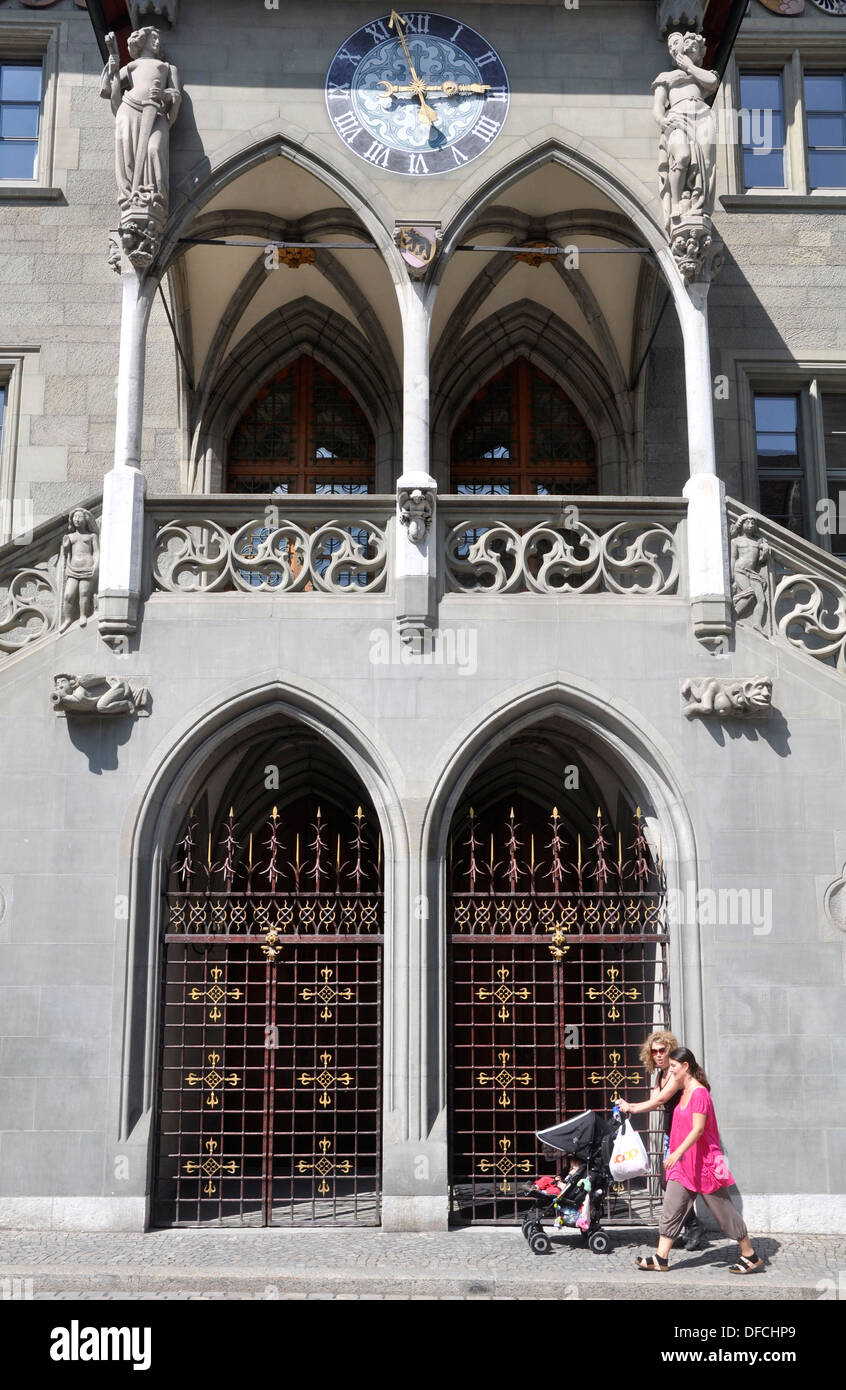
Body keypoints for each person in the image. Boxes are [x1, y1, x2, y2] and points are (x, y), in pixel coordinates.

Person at [635, 1048, 763, 1274]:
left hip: (704, 1164)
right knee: (671, 1208)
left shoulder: (699, 1093)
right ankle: (661, 1257)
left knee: (724, 1212)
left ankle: (749, 1255)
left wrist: (675, 1152)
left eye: (674, 1066)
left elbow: (698, 1129)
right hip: (684, 1165)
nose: (671, 1070)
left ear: (685, 1067)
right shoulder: (683, 1092)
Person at [617, 1030, 705, 1251]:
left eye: (662, 1050)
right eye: (653, 1051)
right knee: (670, 1182)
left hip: (683, 1135)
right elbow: (655, 1099)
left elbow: (662, 1100)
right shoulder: (660, 1075)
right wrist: (632, 1107)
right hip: (669, 1134)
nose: (657, 1055)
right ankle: (691, 1227)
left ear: (670, 1050)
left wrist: (632, 1108)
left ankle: (691, 1228)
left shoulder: (676, 1075)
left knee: (674, 1183)